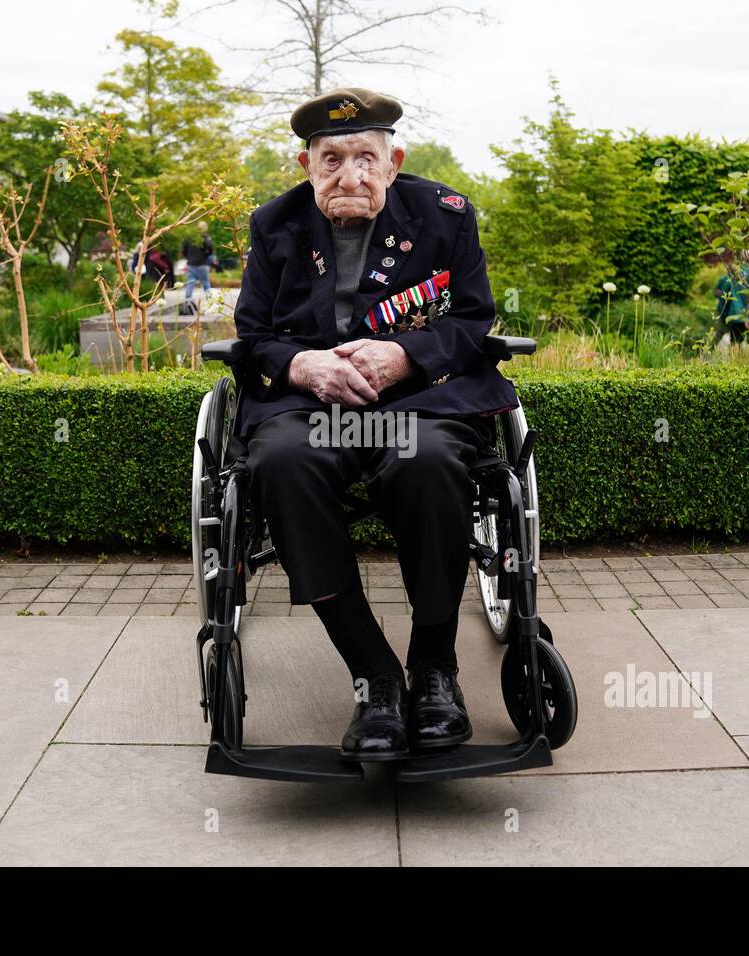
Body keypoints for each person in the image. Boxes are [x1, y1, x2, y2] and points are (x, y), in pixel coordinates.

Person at [233, 87, 518, 761]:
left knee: (429, 462)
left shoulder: (445, 216)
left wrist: (404, 355)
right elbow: (252, 337)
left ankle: (434, 668)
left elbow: (473, 323)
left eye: (366, 158)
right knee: (280, 462)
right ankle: (375, 678)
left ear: (395, 161)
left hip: (417, 402)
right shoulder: (275, 224)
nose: (350, 177)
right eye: (331, 160)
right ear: (306, 165)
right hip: (312, 409)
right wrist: (302, 366)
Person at [181, 223, 214, 311]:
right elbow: (210, 250)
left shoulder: (189, 238)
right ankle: (210, 302)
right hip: (202, 264)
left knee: (190, 283)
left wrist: (189, 257)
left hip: (191, 264)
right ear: (205, 229)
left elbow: (183, 251)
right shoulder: (205, 238)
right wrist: (205, 255)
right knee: (206, 283)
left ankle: (188, 301)